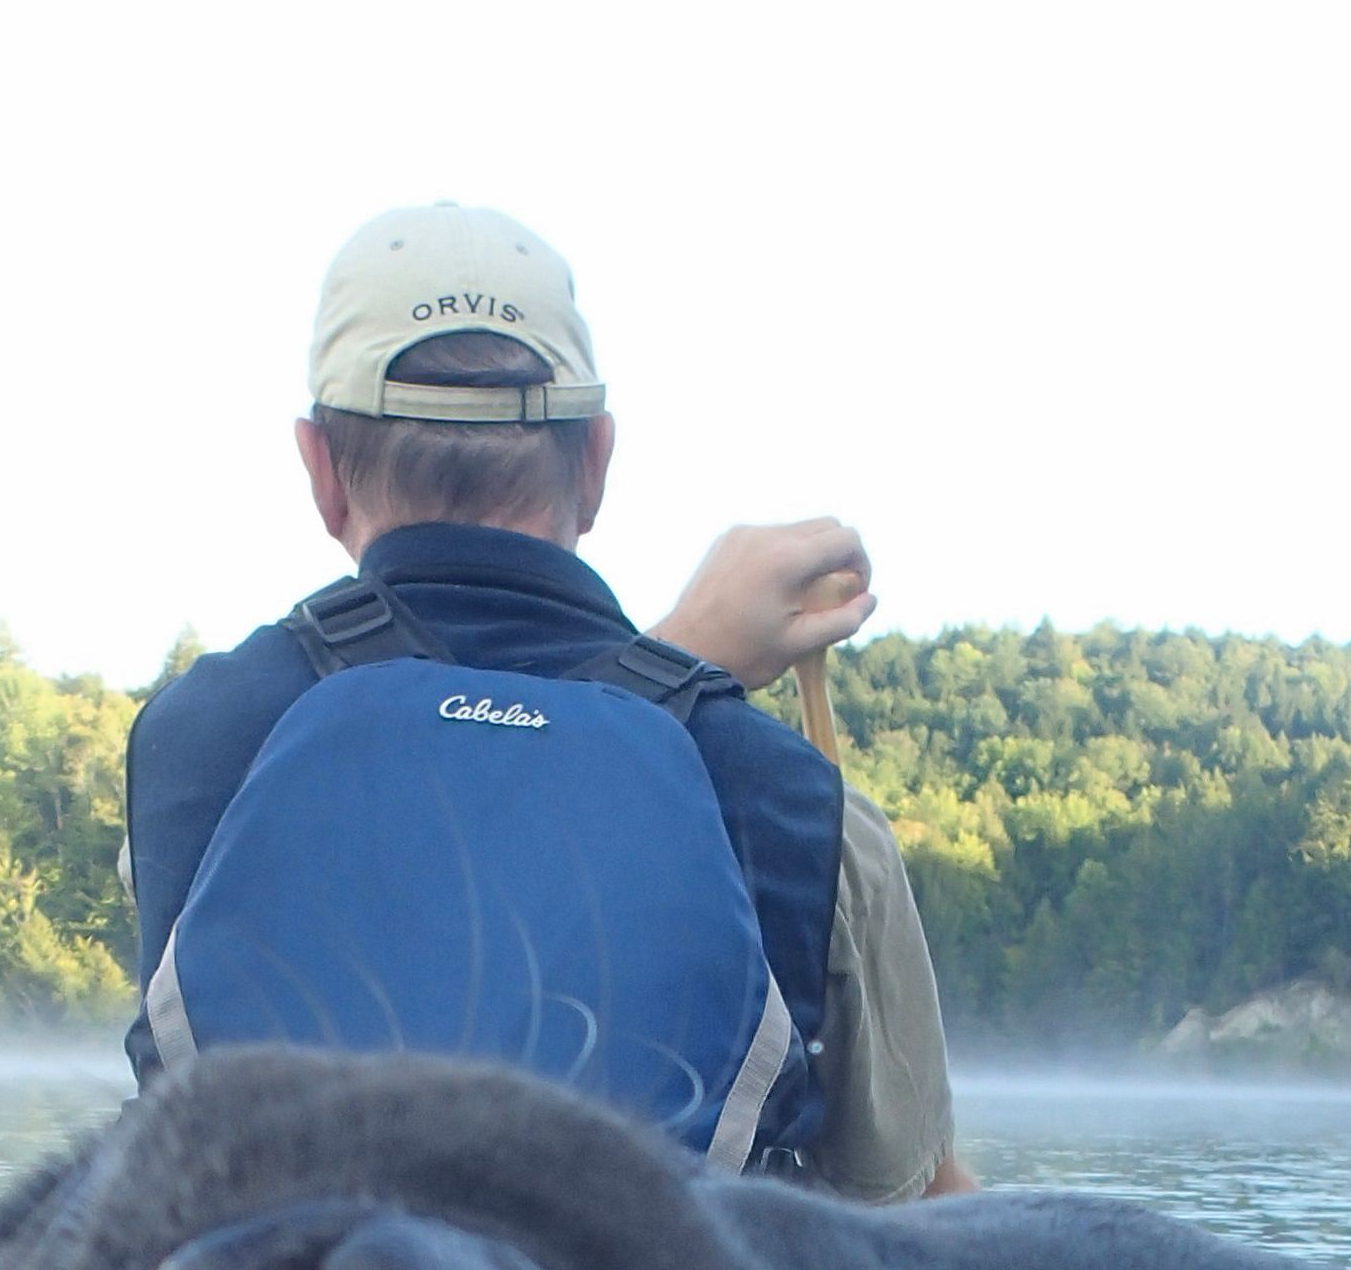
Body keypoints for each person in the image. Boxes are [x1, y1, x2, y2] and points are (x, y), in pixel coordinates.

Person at [120, 200, 964, 1201]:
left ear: (321, 474)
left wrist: (674, 665)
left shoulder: (197, 748)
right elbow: (912, 1209)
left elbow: (451, 813)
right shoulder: (805, 810)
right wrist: (683, 681)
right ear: (596, 461)